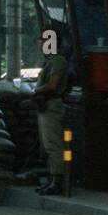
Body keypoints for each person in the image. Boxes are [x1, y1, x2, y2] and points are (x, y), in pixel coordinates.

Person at [34, 30, 70, 196]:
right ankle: (52, 179)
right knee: (46, 144)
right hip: (46, 105)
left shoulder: (57, 61)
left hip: (52, 105)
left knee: (53, 144)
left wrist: (35, 91)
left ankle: (58, 181)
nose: (41, 43)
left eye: (44, 40)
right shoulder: (49, 61)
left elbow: (53, 85)